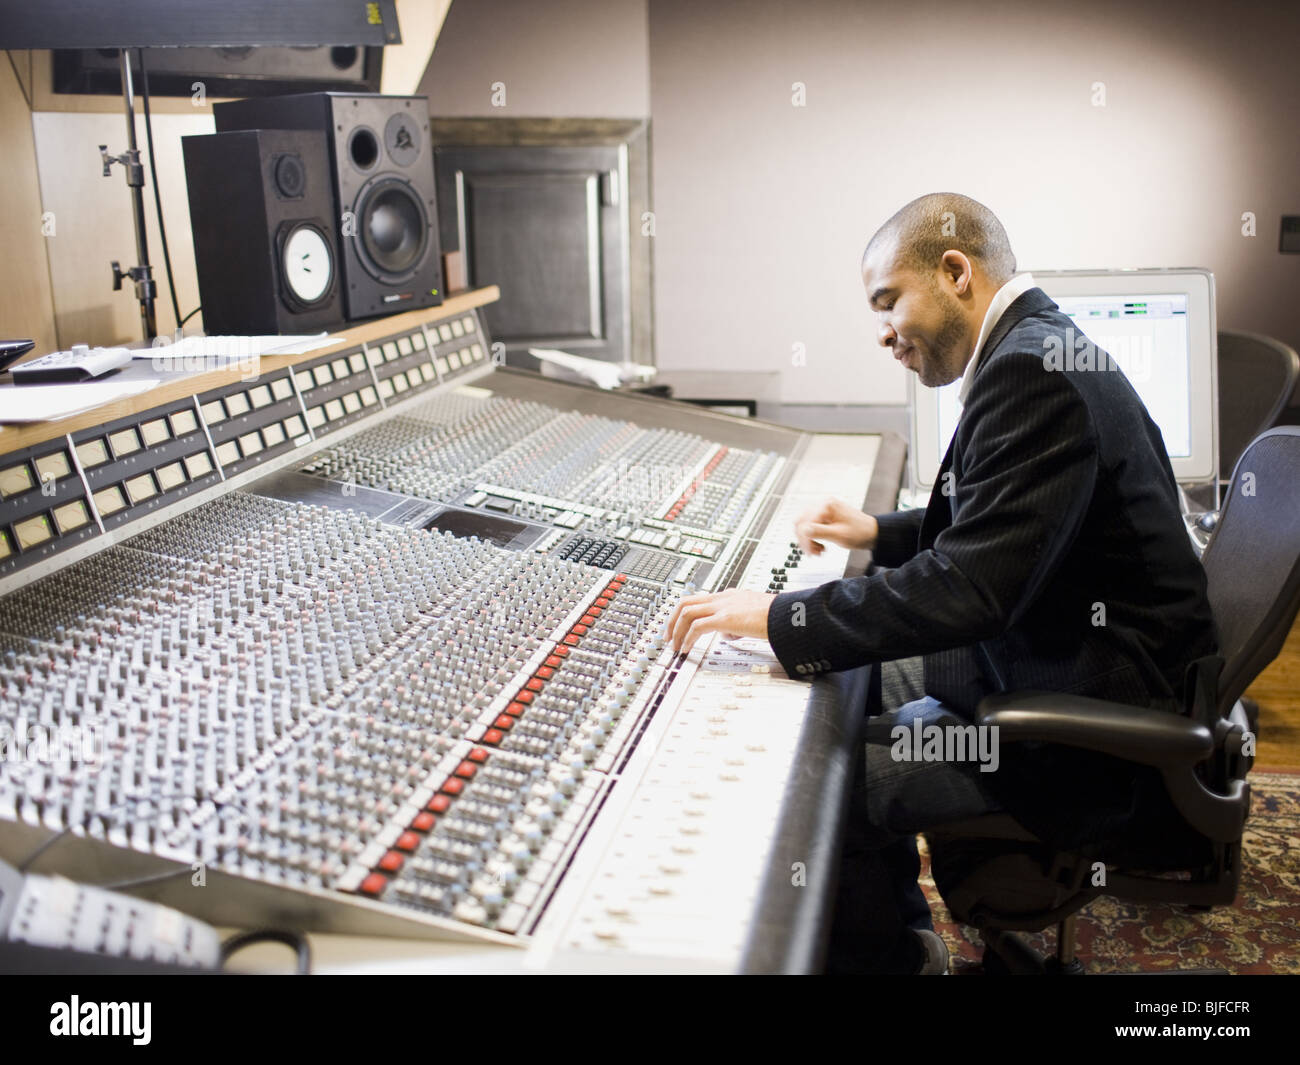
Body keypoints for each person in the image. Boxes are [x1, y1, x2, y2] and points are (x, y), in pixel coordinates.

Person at [664, 192, 1219, 974]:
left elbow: (969, 589)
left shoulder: (1034, 371)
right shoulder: (1036, 349)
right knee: (839, 695)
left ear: (956, 271)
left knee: (824, 788)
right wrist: (876, 532)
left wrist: (781, 616)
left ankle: (894, 958)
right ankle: (906, 934)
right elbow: (998, 525)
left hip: (1084, 726)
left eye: (888, 302)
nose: (883, 332)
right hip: (1053, 659)